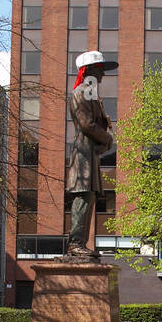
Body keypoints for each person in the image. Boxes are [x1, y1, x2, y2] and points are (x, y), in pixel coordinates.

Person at [65, 50, 116, 254]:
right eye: (99, 70)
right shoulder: (81, 93)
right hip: (83, 155)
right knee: (83, 196)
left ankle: (80, 243)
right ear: (89, 71)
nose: (102, 75)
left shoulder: (91, 95)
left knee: (90, 197)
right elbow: (87, 124)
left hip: (90, 154)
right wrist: (108, 138)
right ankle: (75, 244)